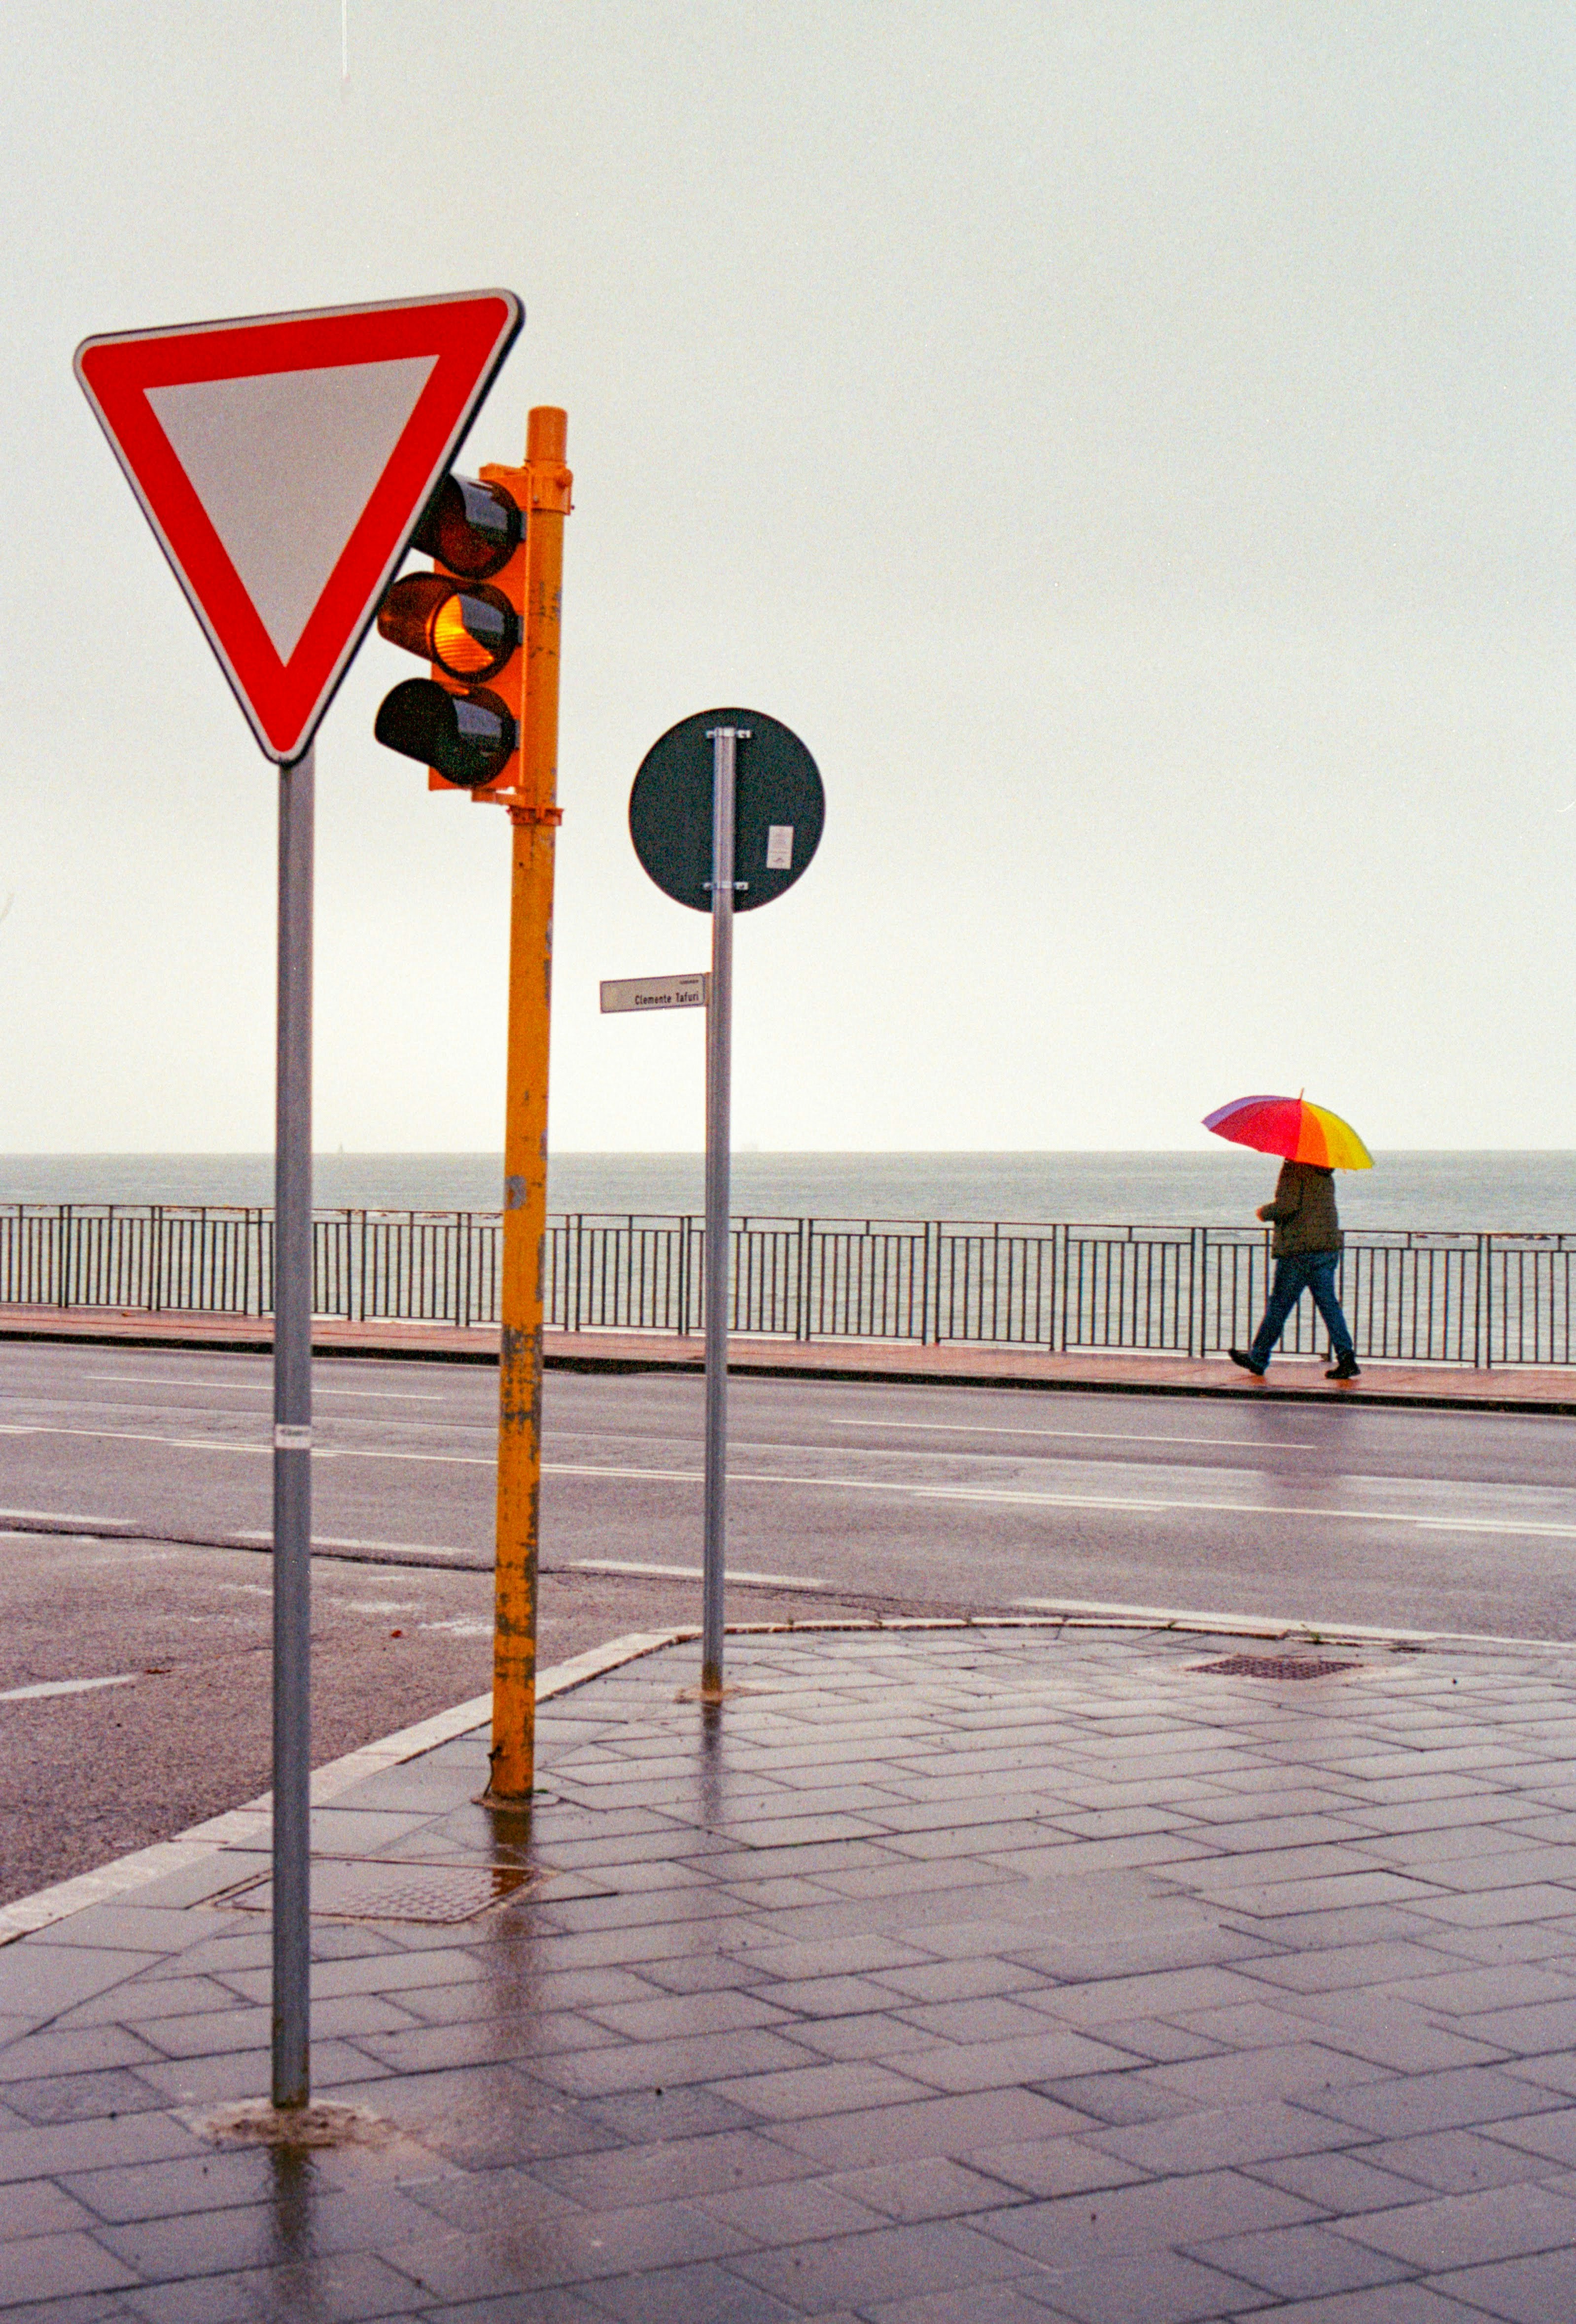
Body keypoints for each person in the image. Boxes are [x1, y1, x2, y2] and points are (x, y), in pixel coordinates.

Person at [1230, 1159, 1360, 1381]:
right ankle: (1347, 1359)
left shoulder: (1294, 1168)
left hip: (1298, 1250)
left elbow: (1288, 1206)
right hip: (1326, 1248)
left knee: (1279, 1305)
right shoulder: (1325, 1171)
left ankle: (1259, 1358)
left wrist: (1264, 1212)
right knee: (1329, 1305)